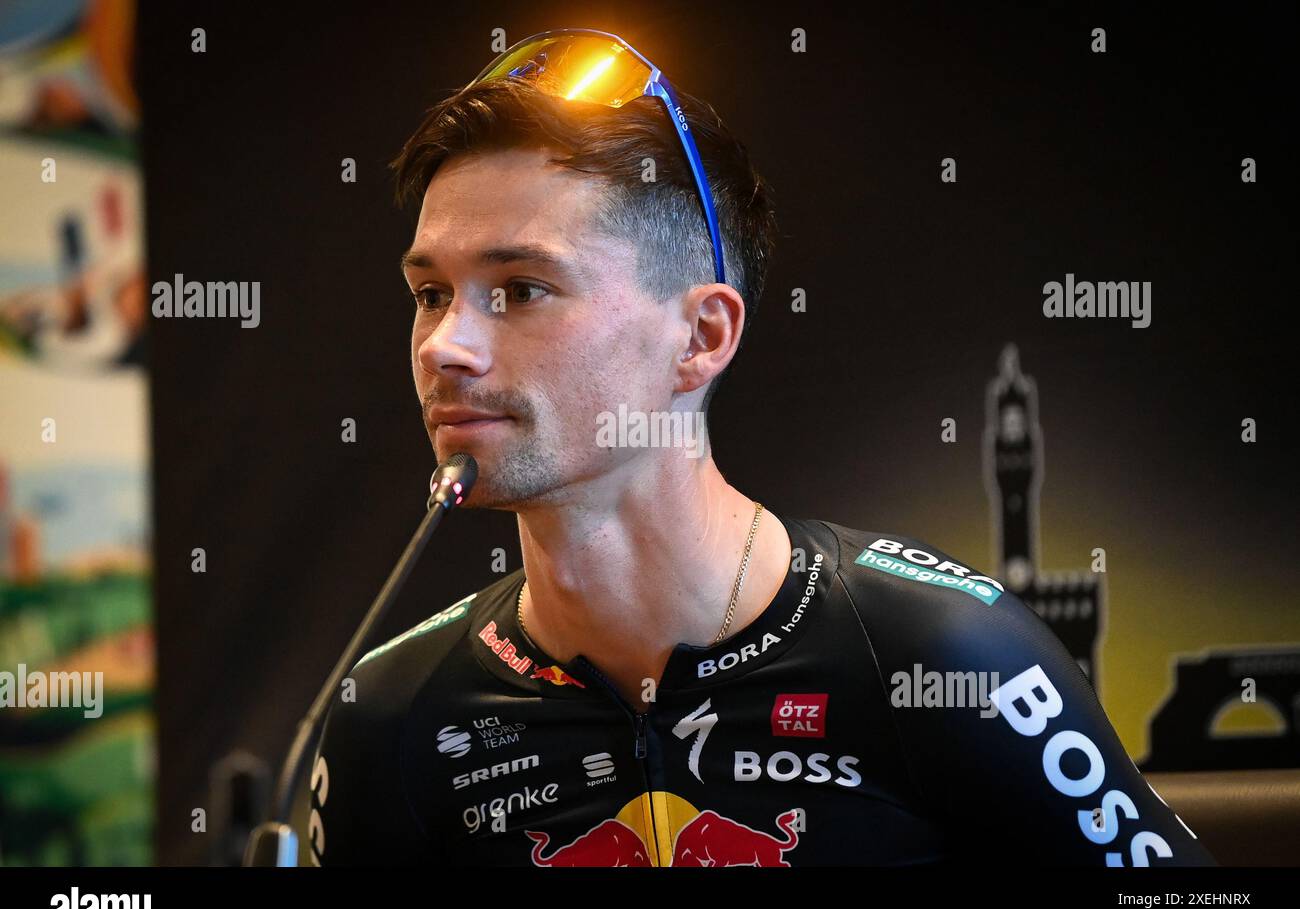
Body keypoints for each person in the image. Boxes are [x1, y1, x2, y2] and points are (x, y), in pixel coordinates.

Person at [308, 30, 1215, 866]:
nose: (444, 346)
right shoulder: (389, 717)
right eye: (430, 294)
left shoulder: (944, 655)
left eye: (521, 288)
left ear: (700, 336)